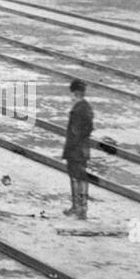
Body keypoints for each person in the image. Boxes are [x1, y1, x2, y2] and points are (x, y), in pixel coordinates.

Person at [62, 78, 94, 219]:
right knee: (82, 178)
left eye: (71, 94)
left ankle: (77, 208)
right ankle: (82, 208)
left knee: (75, 178)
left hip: (75, 151)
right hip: (84, 149)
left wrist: (69, 150)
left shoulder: (77, 109)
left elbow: (74, 133)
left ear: (75, 93)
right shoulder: (87, 107)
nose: (70, 97)